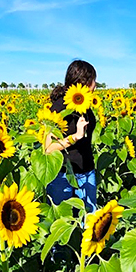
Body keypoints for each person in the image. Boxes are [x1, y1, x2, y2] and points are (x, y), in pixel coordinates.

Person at [44, 60, 98, 214]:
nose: (95, 85)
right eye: (94, 80)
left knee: (89, 222)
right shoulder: (59, 108)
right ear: (83, 82)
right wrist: (75, 136)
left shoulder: (84, 105)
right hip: (62, 175)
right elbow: (48, 148)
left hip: (86, 171)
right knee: (64, 221)